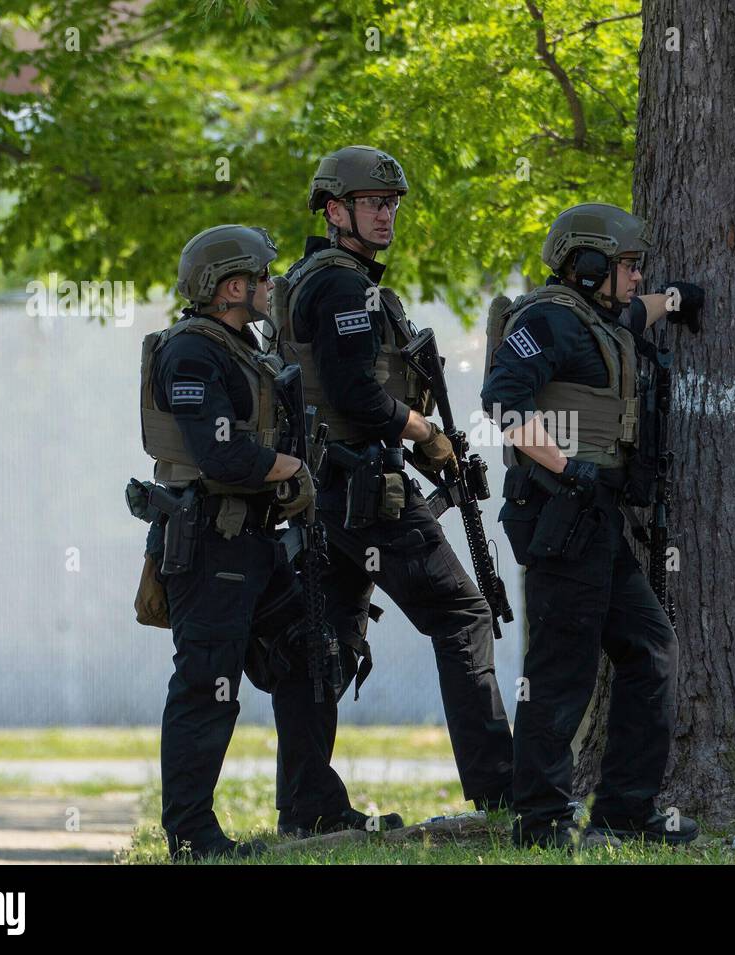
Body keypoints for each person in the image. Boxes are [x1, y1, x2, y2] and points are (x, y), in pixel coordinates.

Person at [269, 145, 514, 833]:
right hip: (364, 486)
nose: (386, 215)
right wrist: (426, 434)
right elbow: (357, 393)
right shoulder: (343, 286)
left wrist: (436, 455)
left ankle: (310, 808)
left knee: (325, 646)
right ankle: (502, 793)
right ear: (334, 209)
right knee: (461, 612)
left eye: (391, 204)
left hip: (327, 494)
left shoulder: (311, 279)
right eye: (374, 204)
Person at [480, 203, 705, 848]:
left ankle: (626, 809)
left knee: (650, 648)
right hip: (561, 510)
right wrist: (567, 465)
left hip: (596, 514)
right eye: (628, 266)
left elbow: (634, 316)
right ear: (588, 265)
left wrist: (674, 299)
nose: (635, 278)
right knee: (561, 669)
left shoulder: (597, 322)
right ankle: (541, 820)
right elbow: (501, 399)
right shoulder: (547, 318)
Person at [142, 224, 359, 860]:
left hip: (260, 546)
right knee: (208, 685)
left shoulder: (244, 347)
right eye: (263, 278)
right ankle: (191, 835)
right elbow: (221, 454)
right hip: (211, 544)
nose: (272, 286)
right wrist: (294, 469)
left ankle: (311, 806)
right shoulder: (191, 353)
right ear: (231, 286)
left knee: (314, 653)